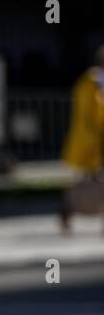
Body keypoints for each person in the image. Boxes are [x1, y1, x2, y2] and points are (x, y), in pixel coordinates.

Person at [59, 45, 104, 233]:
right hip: (92, 142)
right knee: (90, 182)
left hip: (96, 140)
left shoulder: (96, 83)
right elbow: (87, 116)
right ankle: (67, 211)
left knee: (94, 182)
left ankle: (69, 211)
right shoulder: (90, 83)